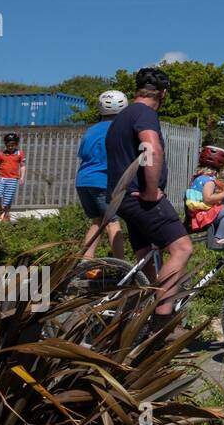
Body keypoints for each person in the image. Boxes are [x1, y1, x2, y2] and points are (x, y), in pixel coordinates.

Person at [105, 67, 192, 336]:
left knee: (147, 259)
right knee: (182, 249)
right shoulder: (145, 114)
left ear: (137, 90)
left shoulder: (122, 117)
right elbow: (150, 148)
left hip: (122, 200)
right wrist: (151, 191)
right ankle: (161, 325)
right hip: (140, 199)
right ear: (163, 94)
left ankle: (142, 315)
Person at [77, 90, 129, 259]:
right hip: (102, 181)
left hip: (83, 181)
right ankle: (122, 267)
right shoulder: (120, 129)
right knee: (113, 223)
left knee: (97, 221)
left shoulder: (91, 130)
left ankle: (85, 263)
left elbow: (83, 155)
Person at [185, 145, 224, 249]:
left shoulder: (197, 177)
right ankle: (218, 238)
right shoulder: (209, 180)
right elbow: (208, 199)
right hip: (202, 215)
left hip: (195, 213)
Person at [0, 133, 25, 221]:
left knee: (8, 199)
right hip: (1, 178)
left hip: (12, 179)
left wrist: (22, 177)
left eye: (12, 145)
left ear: (16, 144)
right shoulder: (1, 154)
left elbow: (22, 166)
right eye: (8, 145)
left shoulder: (20, 154)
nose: (10, 147)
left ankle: (6, 214)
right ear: (6, 145)